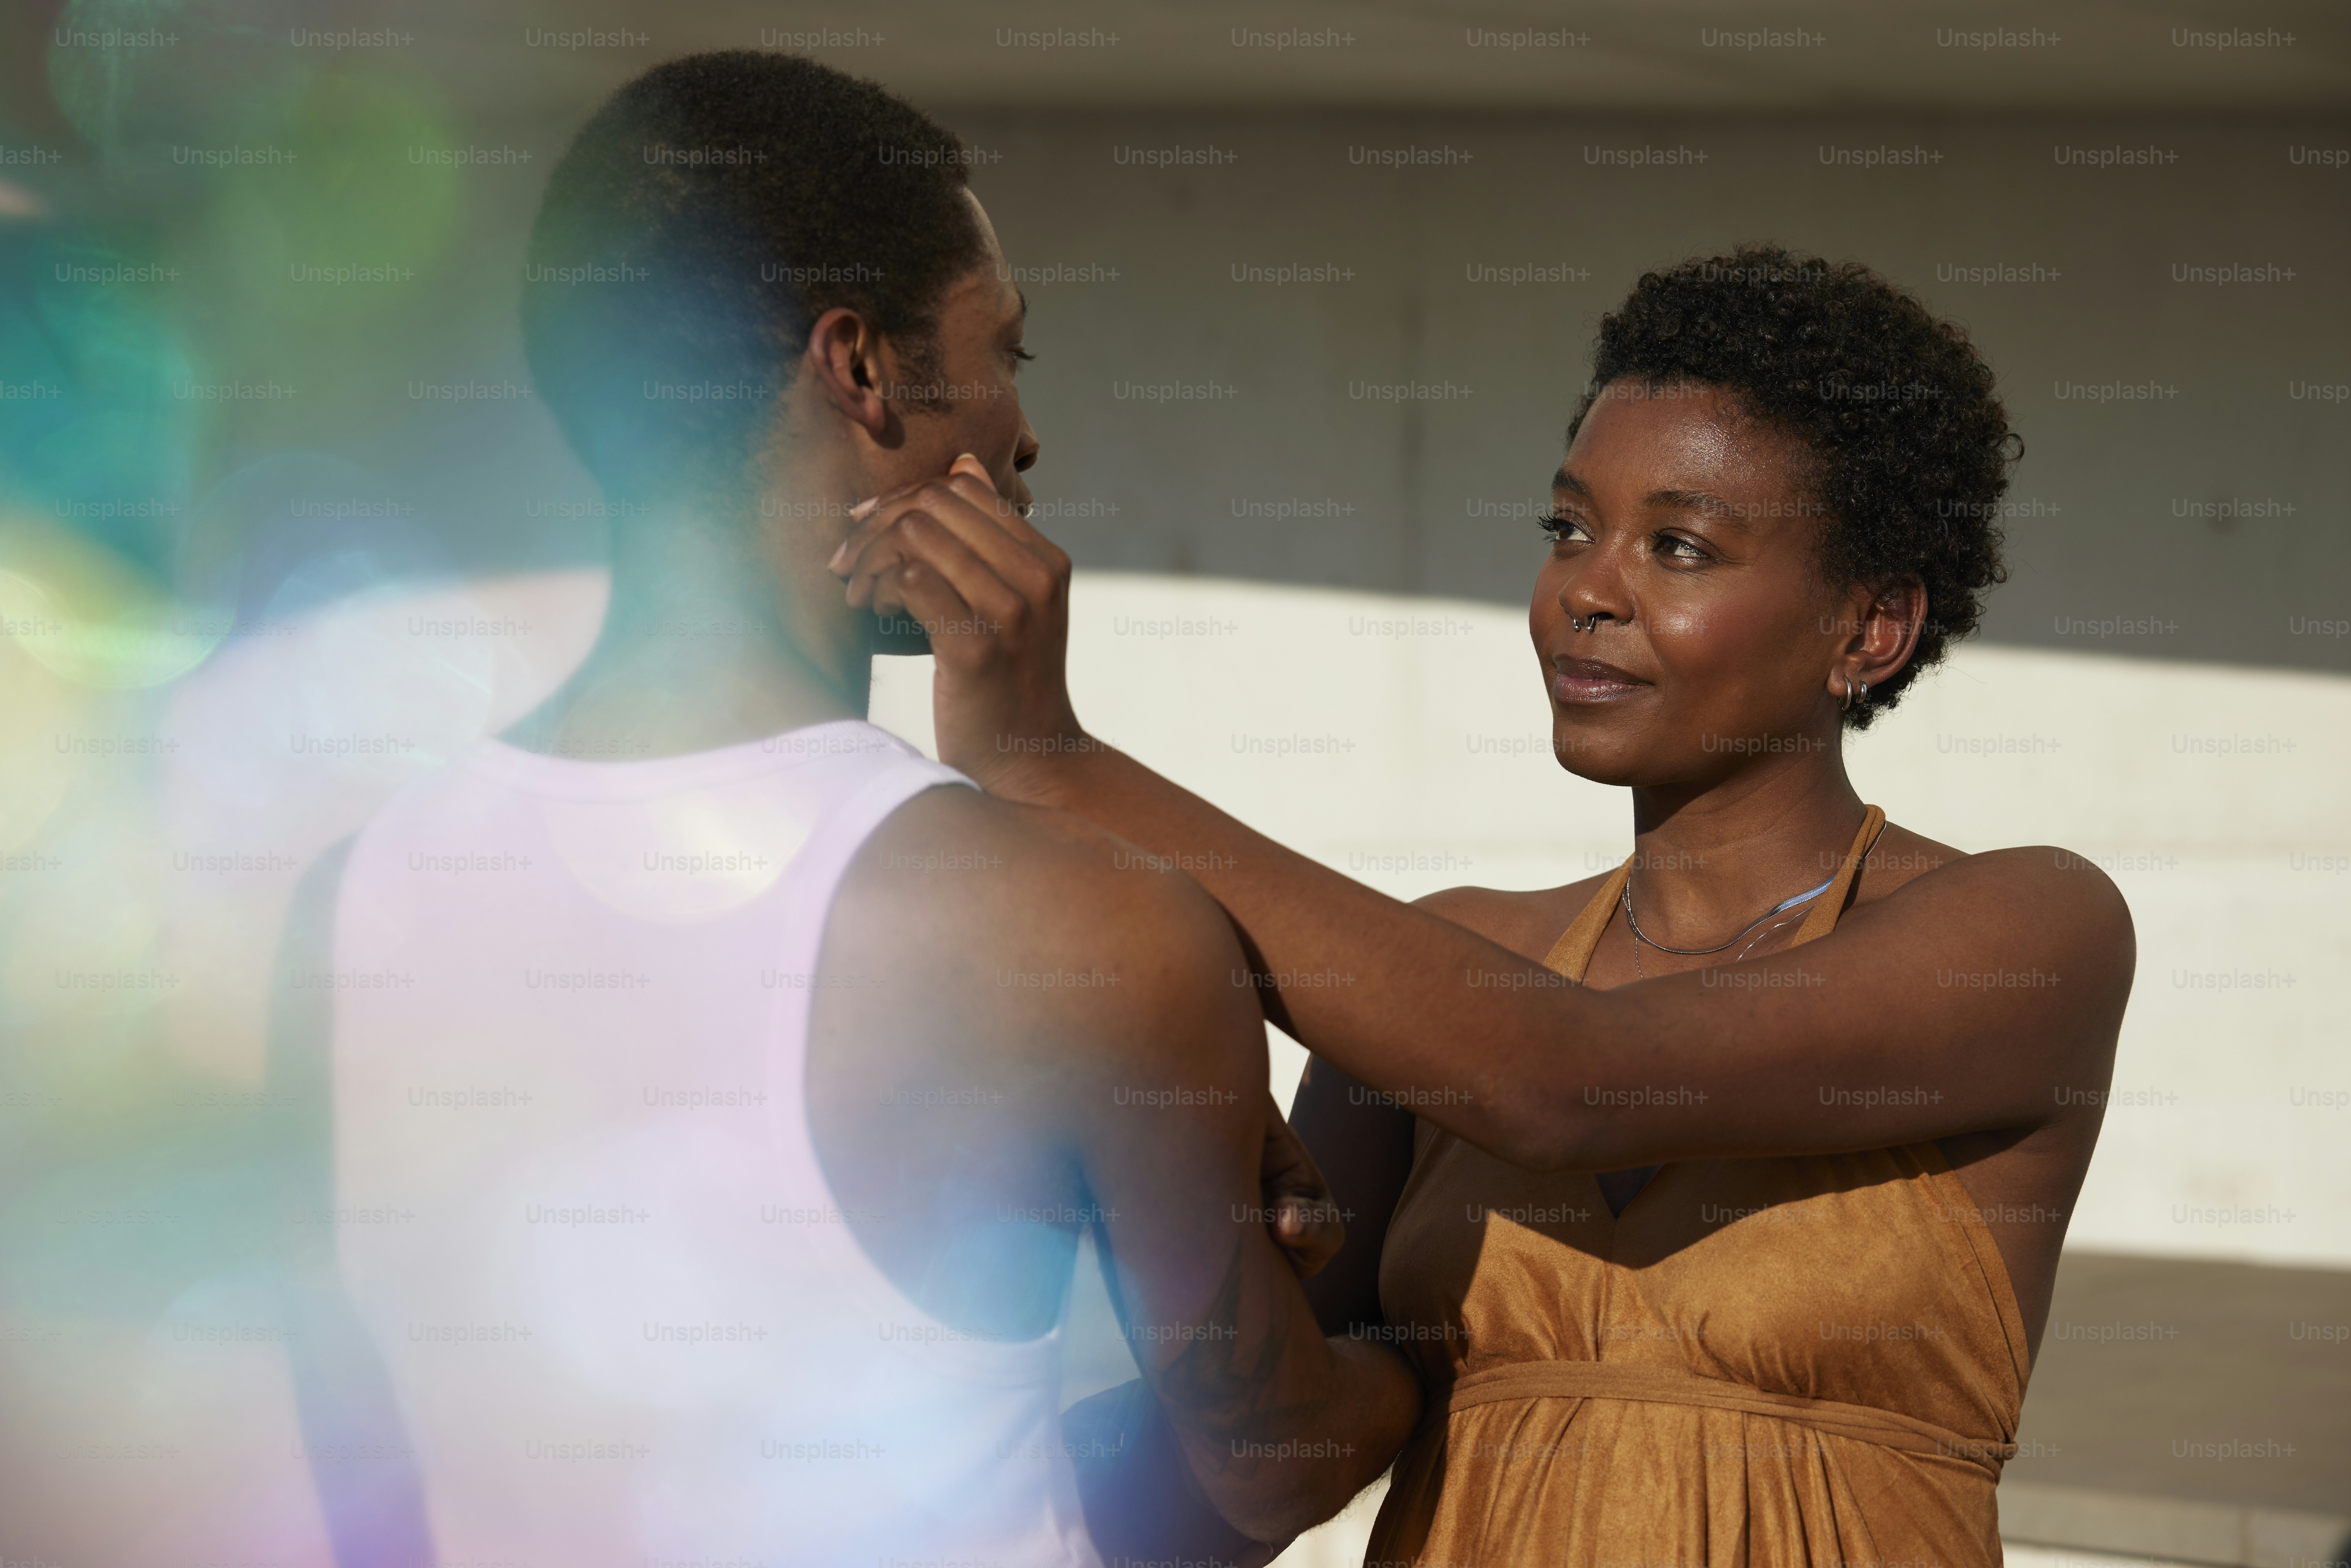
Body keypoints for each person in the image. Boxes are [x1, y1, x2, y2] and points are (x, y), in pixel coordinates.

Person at [273, 51, 1418, 1568]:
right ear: (861, 368)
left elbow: (363, 1485)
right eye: (1005, 351)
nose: (1022, 436)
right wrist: (1441, 1344)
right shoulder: (1075, 919)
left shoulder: (348, 904)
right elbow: (1270, 1460)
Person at [831, 243, 2135, 1565]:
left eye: (1677, 546)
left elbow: (1570, 1079)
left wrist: (1049, 761)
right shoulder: (1453, 969)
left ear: (1870, 628)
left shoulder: (2029, 931)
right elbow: (1253, 1469)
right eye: (1568, 527)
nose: (1586, 589)